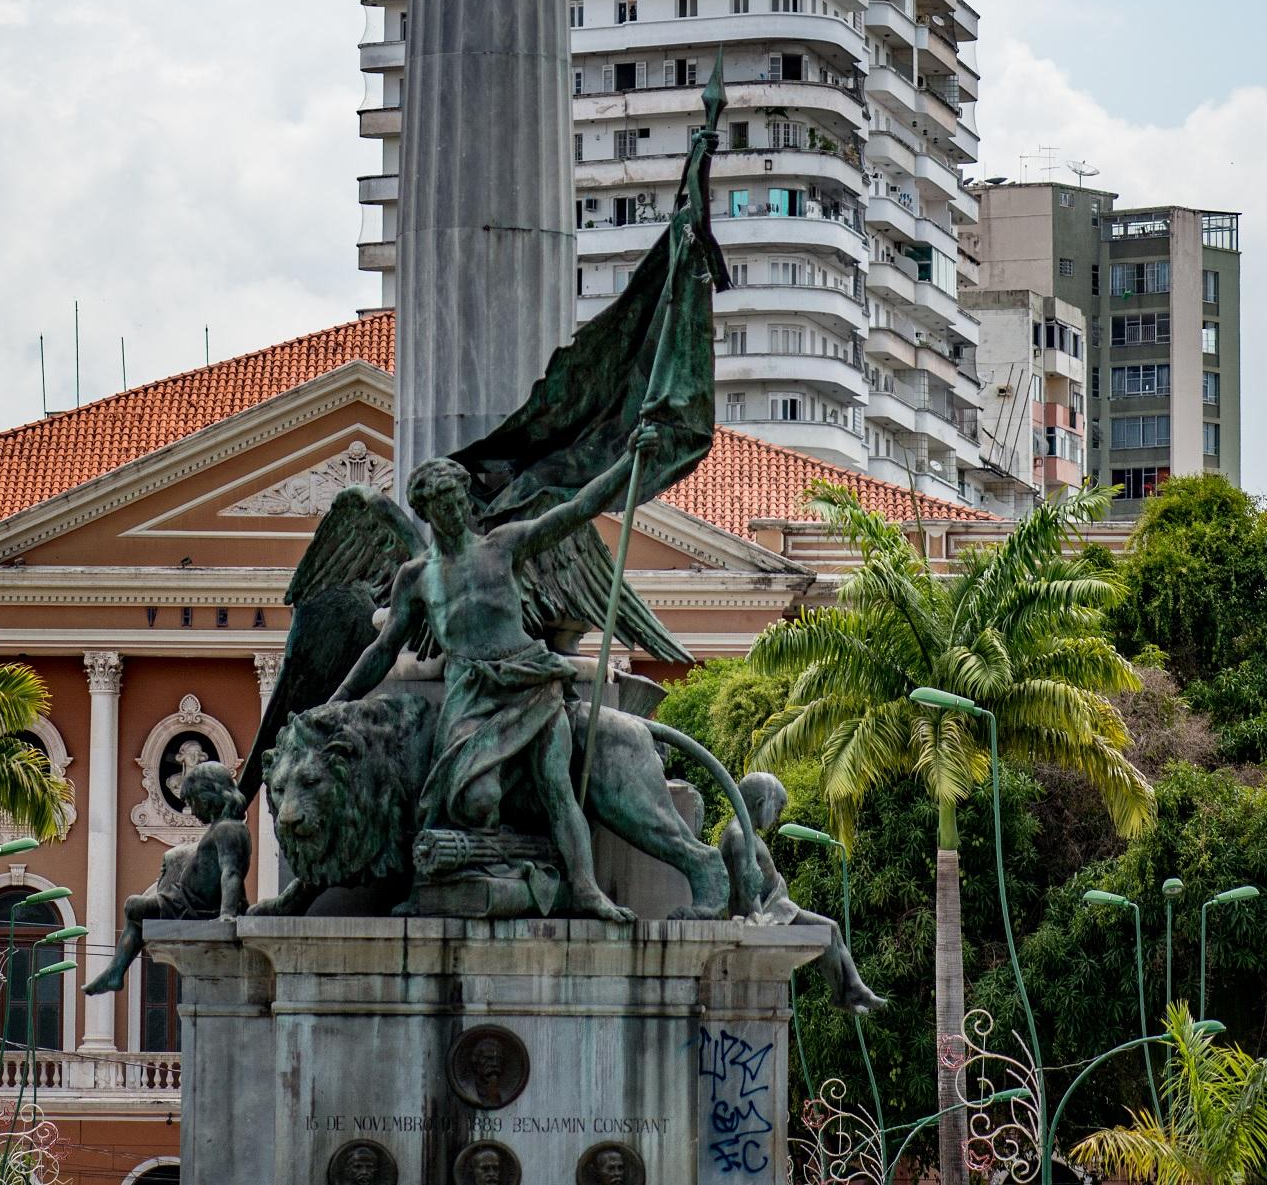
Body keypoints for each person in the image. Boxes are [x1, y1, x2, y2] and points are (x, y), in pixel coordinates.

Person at [331, 424, 665, 923]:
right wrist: (338, 701)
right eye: (438, 501)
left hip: (530, 678)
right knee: (472, 796)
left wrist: (626, 463)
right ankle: (468, 872)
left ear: (466, 499)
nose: (450, 508)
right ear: (424, 512)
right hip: (472, 691)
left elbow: (575, 511)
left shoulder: (503, 546)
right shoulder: (416, 577)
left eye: (454, 496)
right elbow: (384, 649)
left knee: (557, 786)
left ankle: (586, 888)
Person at [720, 772, 884, 1015]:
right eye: (778, 809)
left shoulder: (745, 833)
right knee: (829, 930)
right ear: (761, 804)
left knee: (832, 929)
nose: (778, 817)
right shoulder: (739, 836)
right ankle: (847, 992)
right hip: (769, 910)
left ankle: (852, 989)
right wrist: (755, 917)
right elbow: (747, 882)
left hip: (778, 905)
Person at [83, 760, 251, 994]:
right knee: (139, 908)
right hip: (188, 900)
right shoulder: (225, 827)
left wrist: (227, 915)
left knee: (134, 906)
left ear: (208, 796)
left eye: (192, 801)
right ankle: (115, 972)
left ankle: (115, 972)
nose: (191, 810)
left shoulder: (227, 829)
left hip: (193, 907)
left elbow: (232, 871)